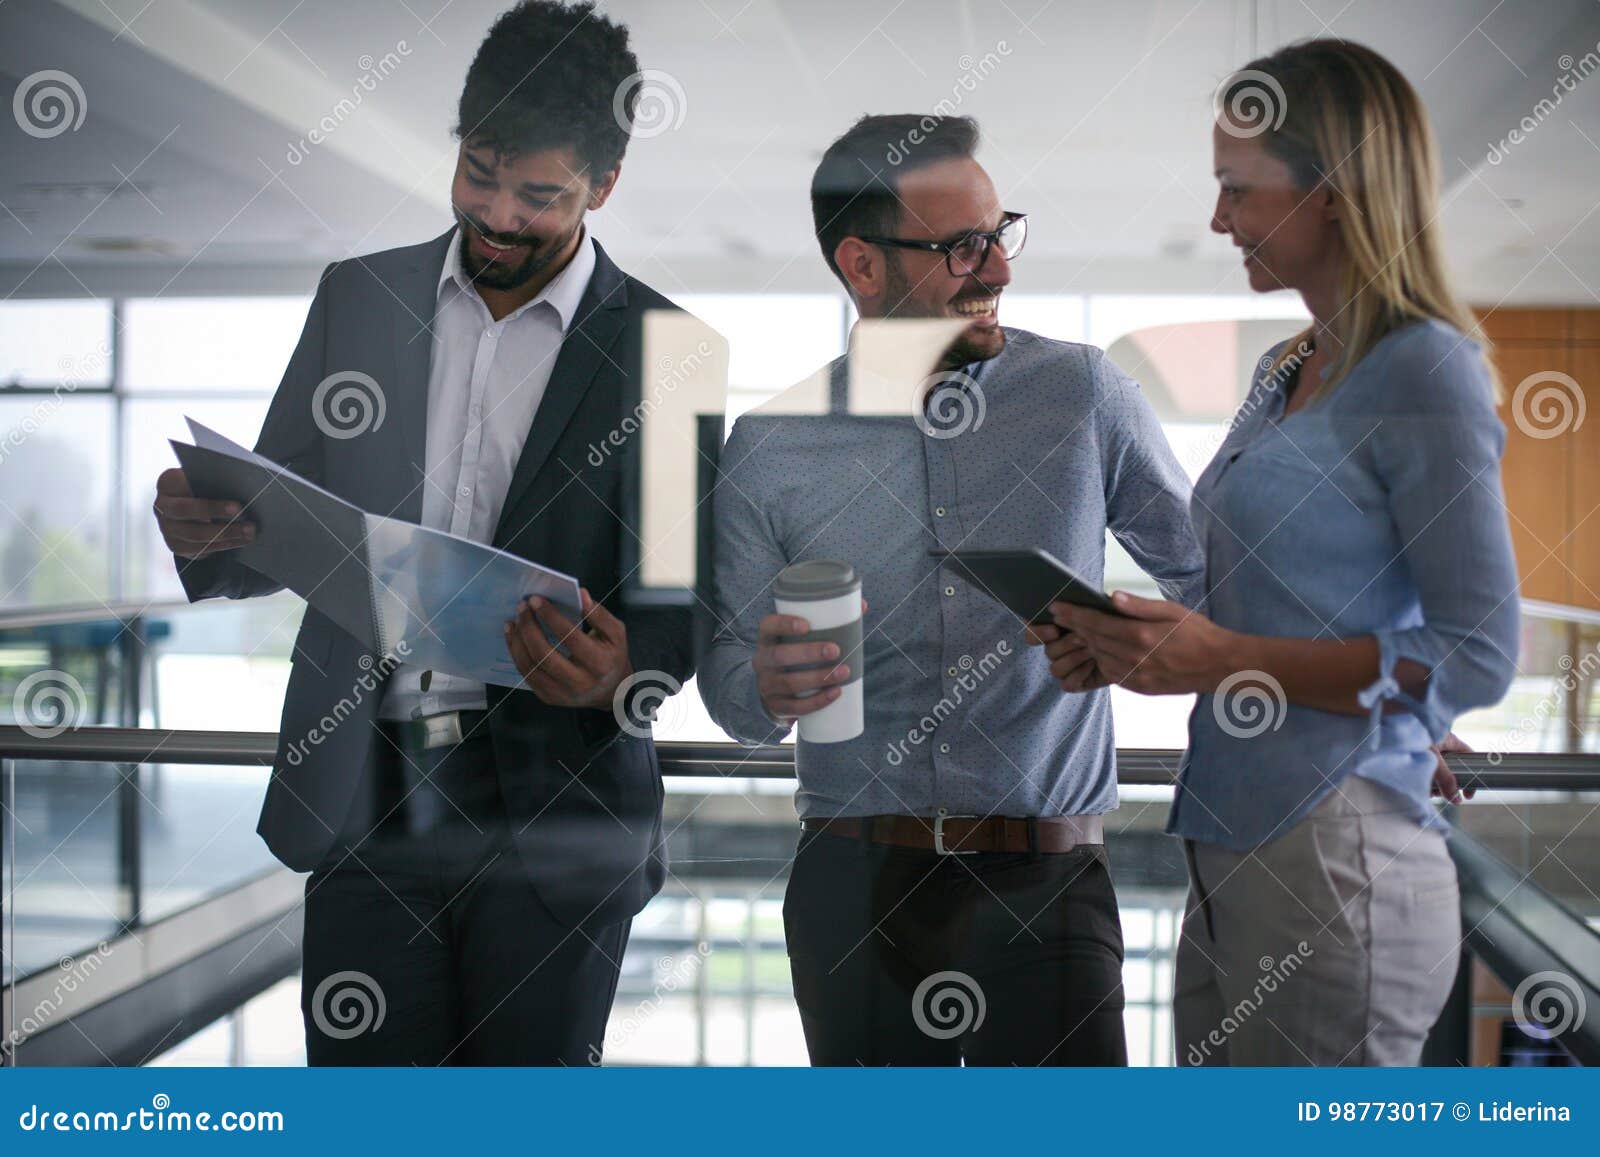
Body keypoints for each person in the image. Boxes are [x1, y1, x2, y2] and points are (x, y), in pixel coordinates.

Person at [152, 1, 703, 1065]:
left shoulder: (669, 355)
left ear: (603, 186)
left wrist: (619, 670)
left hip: (556, 818)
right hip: (365, 796)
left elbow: (676, 611)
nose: (496, 213)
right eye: (477, 172)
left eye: (536, 194)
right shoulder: (358, 299)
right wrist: (208, 531)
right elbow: (273, 518)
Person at [1048, 38, 1520, 1066]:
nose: (1218, 220)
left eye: (1237, 190)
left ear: (1337, 195)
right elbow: (1260, 596)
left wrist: (1215, 656)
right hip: (1228, 842)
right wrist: (1132, 643)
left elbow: (1476, 652)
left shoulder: (1424, 370)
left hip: (1337, 851)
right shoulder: (1288, 364)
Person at [700, 114, 1205, 1065]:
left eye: (999, 232)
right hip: (853, 884)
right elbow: (733, 691)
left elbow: (1213, 582)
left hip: (1047, 883)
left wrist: (1374, 702)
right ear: (862, 266)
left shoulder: (1083, 396)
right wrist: (763, 688)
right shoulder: (773, 446)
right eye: (962, 246)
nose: (1000, 269)